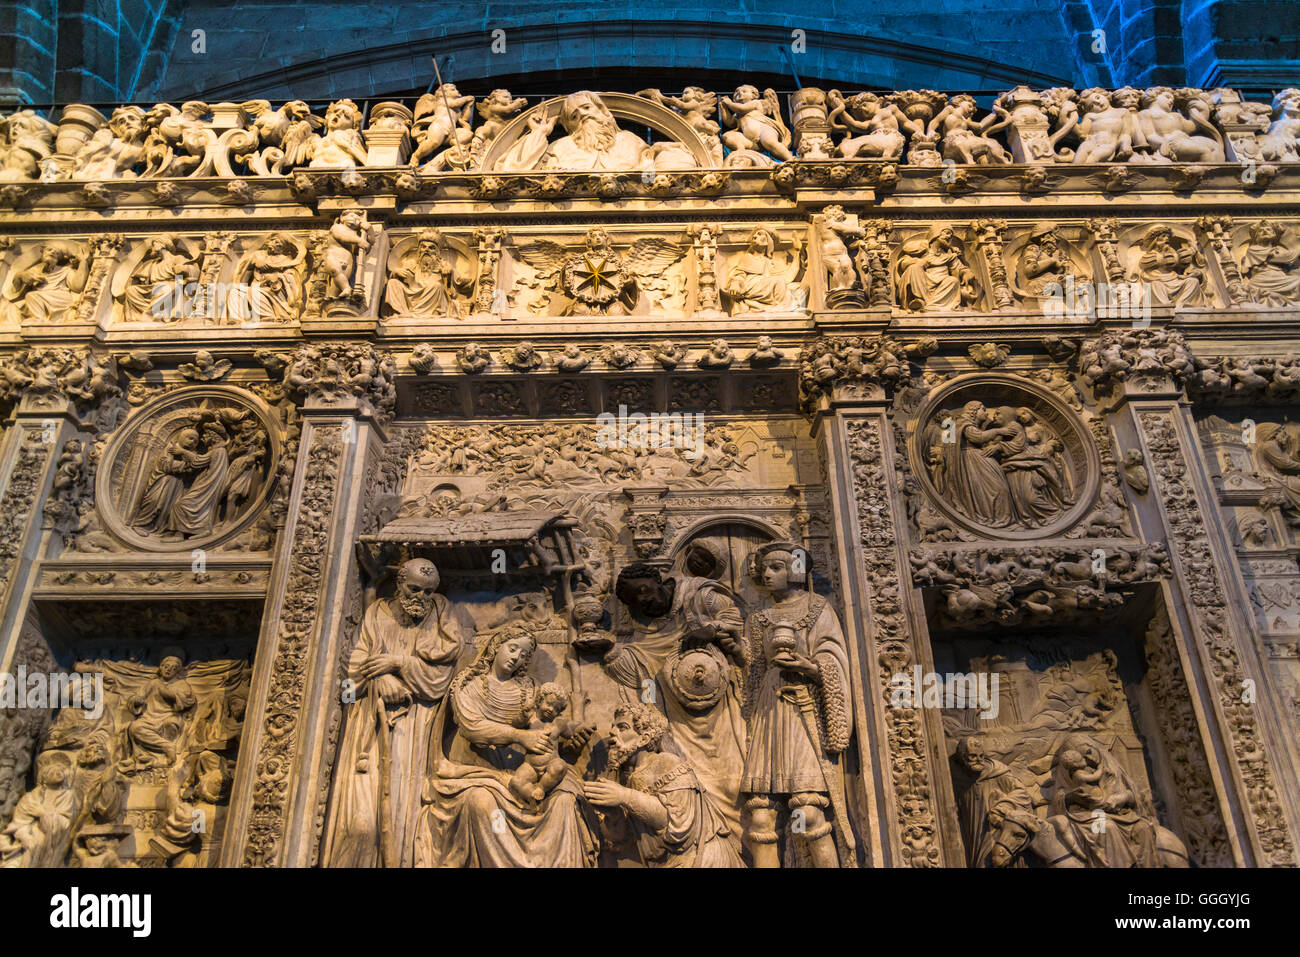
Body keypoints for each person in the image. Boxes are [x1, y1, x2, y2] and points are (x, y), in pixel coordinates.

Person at [322, 558, 469, 867]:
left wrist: (399, 663)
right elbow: (351, 670)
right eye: (414, 589)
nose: (421, 598)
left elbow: (440, 678)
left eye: (428, 592)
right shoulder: (377, 613)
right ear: (400, 584)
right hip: (368, 726)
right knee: (361, 821)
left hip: (416, 726)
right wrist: (380, 677)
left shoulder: (439, 620)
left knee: (406, 806)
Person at [417, 625, 597, 867]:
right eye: (512, 649)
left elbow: (548, 730)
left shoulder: (531, 690)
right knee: (481, 802)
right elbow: (472, 727)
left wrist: (570, 743)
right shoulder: (469, 685)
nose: (516, 658)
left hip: (533, 772)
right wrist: (517, 736)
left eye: (523, 655)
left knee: (566, 799)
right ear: (495, 647)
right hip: (481, 773)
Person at [583, 702, 743, 867]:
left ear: (644, 738)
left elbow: (678, 822)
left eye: (622, 727)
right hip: (667, 860)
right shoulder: (626, 778)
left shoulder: (667, 762)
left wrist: (625, 796)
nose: (612, 733)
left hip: (702, 856)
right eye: (613, 727)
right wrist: (614, 814)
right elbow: (624, 840)